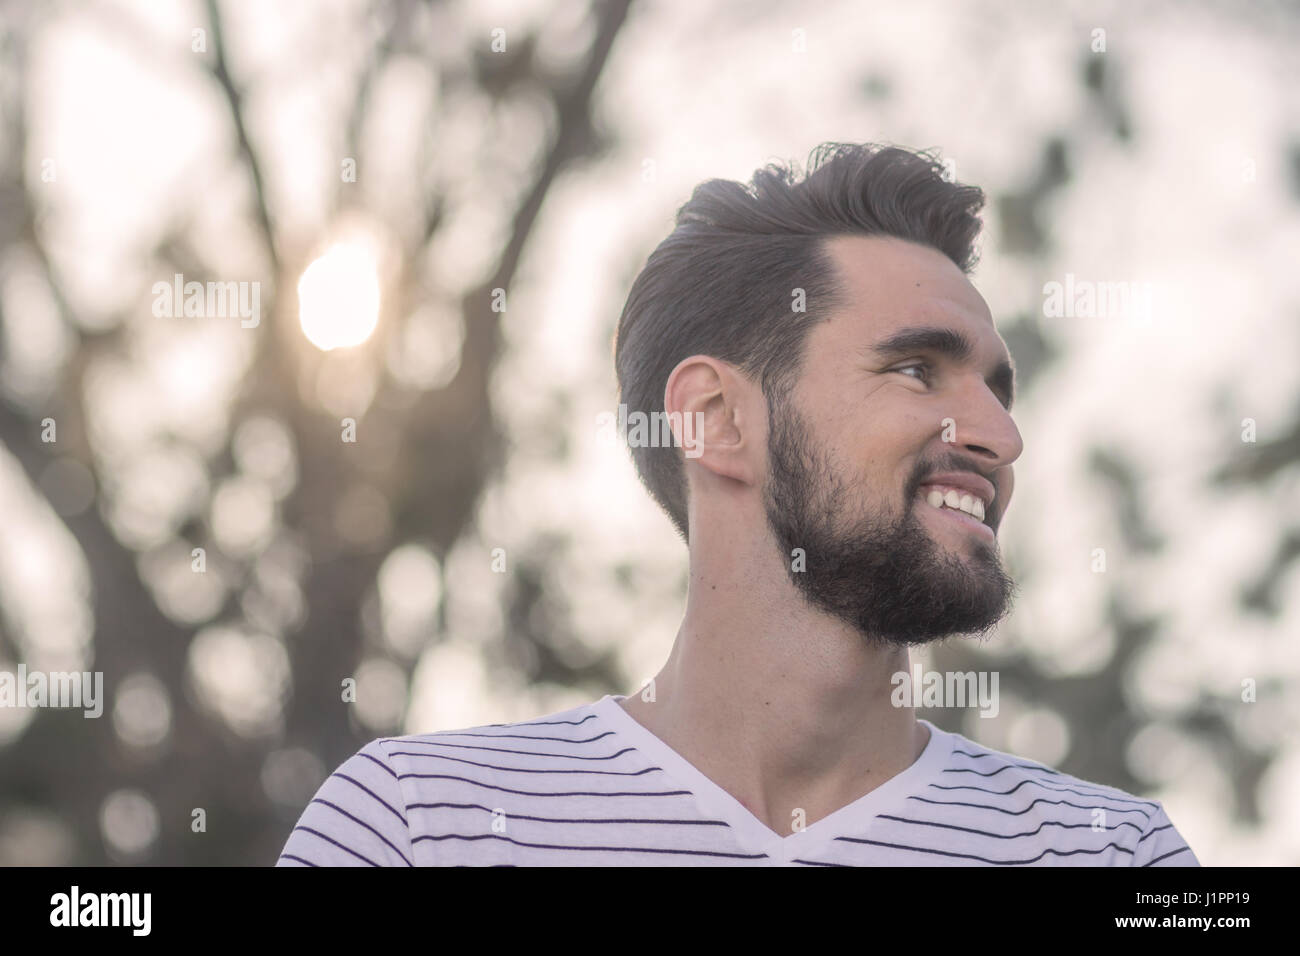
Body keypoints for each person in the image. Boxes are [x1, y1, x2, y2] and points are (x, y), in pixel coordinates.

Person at [276, 143, 1199, 866]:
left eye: (1001, 392)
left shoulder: (1112, 856)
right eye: (918, 369)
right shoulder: (420, 829)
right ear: (716, 420)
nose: (1002, 438)